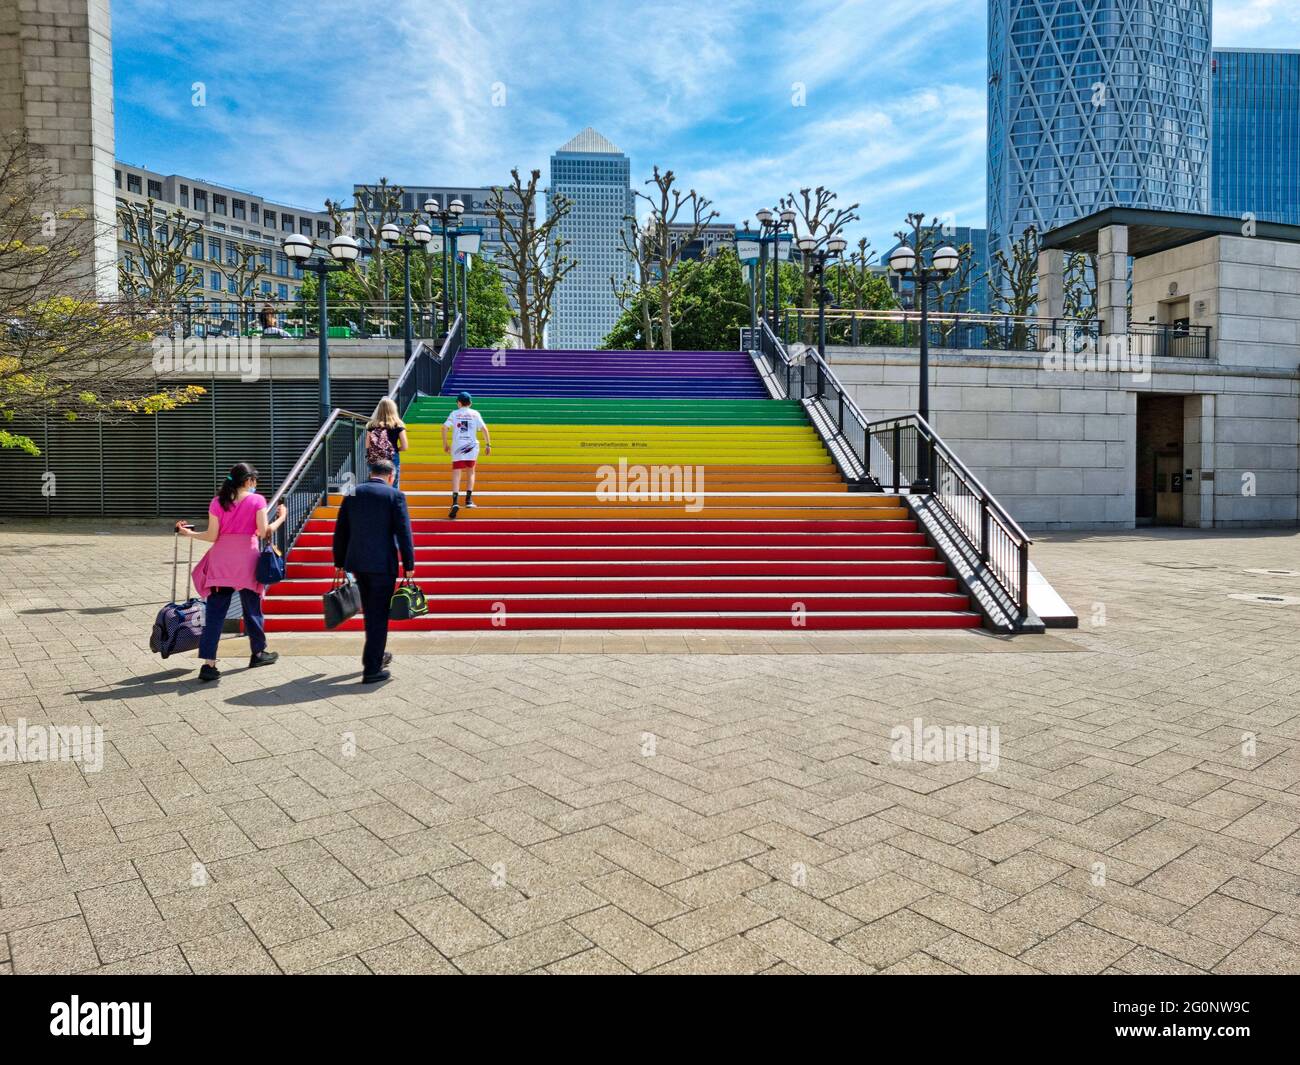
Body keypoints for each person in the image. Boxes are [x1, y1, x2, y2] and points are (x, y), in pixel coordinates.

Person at [175, 461, 287, 683]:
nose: (255, 484)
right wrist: (281, 516)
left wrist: (188, 534)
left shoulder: (218, 502)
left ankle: (209, 664)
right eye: (254, 480)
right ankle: (258, 653)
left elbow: (212, 536)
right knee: (252, 608)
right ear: (248, 481)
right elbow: (264, 531)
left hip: (221, 560)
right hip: (247, 559)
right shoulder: (257, 500)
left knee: (216, 613)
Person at [331, 458, 416, 683]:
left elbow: (341, 530)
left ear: (372, 473)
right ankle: (372, 668)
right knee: (378, 616)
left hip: (357, 563)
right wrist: (409, 564)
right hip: (382, 566)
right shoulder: (395, 496)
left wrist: (338, 560)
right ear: (391, 476)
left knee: (371, 613)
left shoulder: (352, 493)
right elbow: (404, 533)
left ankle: (376, 654)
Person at [441, 391, 491, 519]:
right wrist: (488, 444)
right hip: (471, 446)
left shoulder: (454, 413)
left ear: (459, 402)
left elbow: (444, 427)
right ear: (470, 403)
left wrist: (445, 443)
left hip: (458, 446)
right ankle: (468, 500)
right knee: (471, 472)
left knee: (457, 473)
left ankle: (455, 501)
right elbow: (484, 429)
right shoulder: (475, 413)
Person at [365, 397, 409, 488]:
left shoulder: (372, 425)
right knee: (393, 484)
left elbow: (367, 445)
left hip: (375, 458)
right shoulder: (398, 425)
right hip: (392, 457)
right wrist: (394, 449)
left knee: (375, 484)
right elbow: (405, 446)